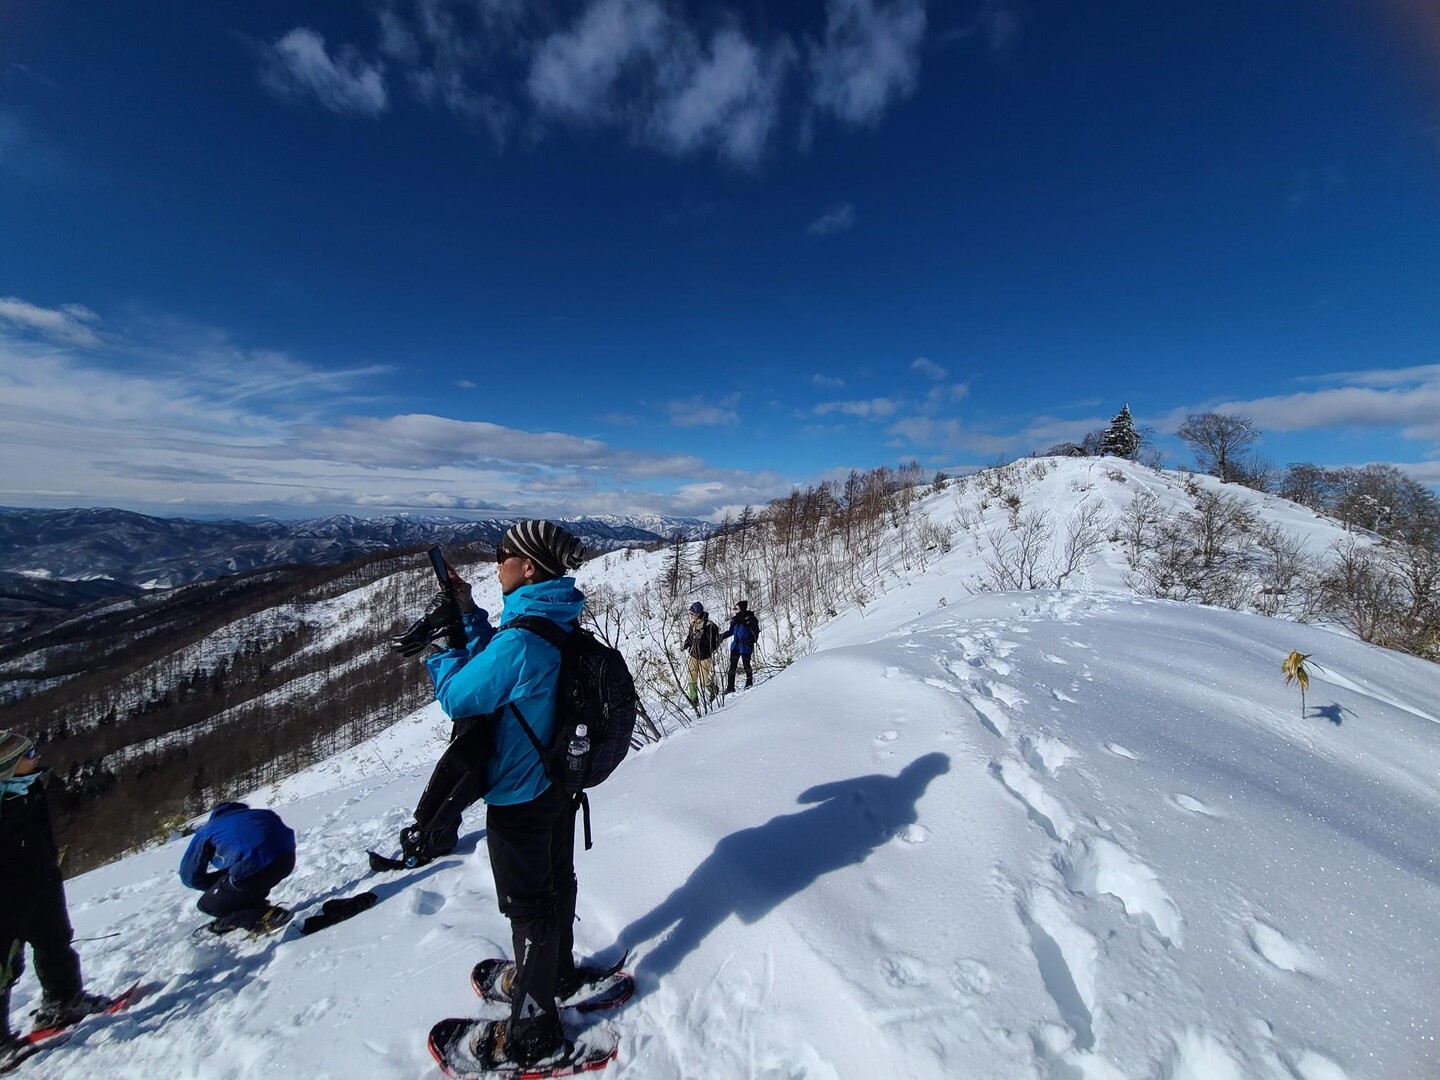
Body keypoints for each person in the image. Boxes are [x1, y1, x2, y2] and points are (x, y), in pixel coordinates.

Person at [417, 520, 599, 1069]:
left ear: (528, 567)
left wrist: (442, 643)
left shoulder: (524, 638)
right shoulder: (554, 619)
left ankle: (533, 1034)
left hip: (519, 795)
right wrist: (469, 611)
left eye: (503, 555)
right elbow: (499, 662)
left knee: (528, 909)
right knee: (555, 886)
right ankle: (555, 973)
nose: (496, 563)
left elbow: (459, 696)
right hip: (557, 785)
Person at [1, 730, 112, 1063]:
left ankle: (63, 1002)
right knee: (4, 965)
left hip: (42, 881)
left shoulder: (31, 787)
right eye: (28, 754)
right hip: (5, 895)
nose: (37, 757)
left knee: (55, 941)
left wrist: (51, 865)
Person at [178, 802, 296, 934]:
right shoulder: (261, 814)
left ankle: (263, 916)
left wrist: (216, 886)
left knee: (207, 905)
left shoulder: (208, 830)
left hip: (254, 868)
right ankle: (252, 909)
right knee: (240, 882)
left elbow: (189, 876)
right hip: (286, 860)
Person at [681, 602, 720, 706]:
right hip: (693, 655)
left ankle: (714, 690)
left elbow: (713, 642)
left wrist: (702, 642)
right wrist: (686, 643)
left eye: (692, 613)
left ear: (698, 613)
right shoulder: (693, 625)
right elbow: (689, 638)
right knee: (691, 677)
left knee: (704, 679)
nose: (691, 616)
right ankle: (694, 699)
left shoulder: (709, 625)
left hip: (704, 656)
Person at [719, 599, 760, 693]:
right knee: (732, 666)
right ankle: (730, 687)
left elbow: (755, 632)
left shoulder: (751, 619)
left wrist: (751, 639)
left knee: (746, 665)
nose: (734, 610)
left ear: (742, 609)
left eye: (736, 608)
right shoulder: (734, 619)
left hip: (746, 645)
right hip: (736, 645)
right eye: (734, 608)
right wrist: (721, 636)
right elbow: (731, 631)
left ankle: (749, 682)